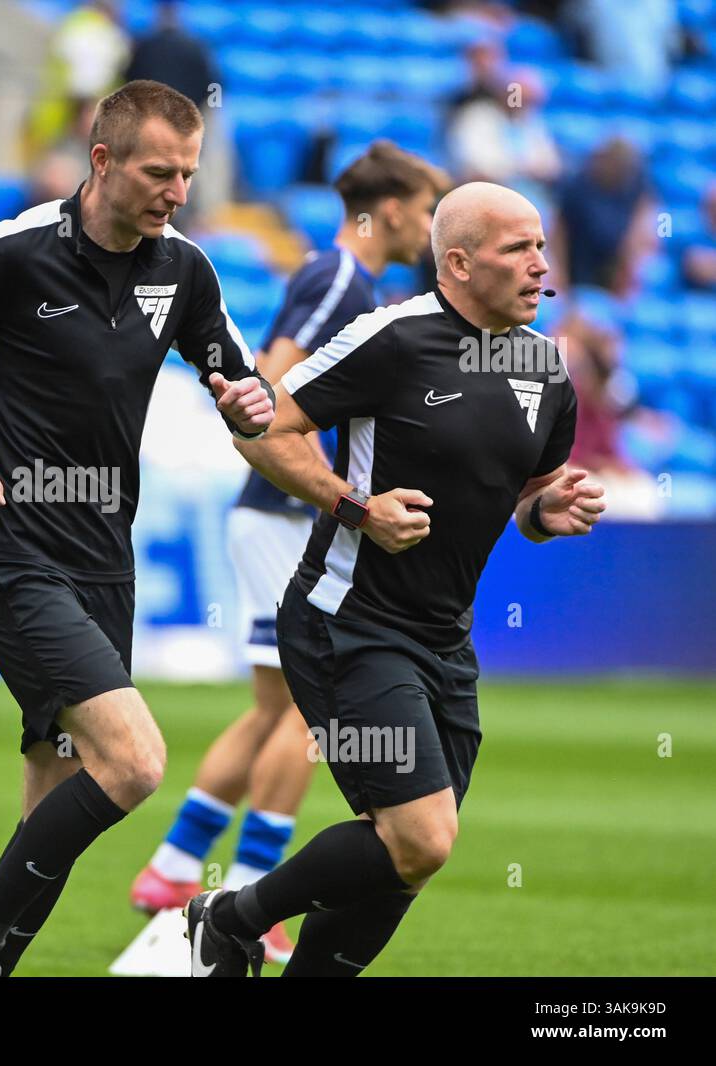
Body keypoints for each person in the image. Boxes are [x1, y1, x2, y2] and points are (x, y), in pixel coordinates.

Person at [185, 181, 607, 977]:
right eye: (518, 249)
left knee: (408, 858)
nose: (540, 266)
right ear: (457, 262)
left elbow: (526, 498)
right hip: (348, 620)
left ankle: (242, 927)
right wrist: (354, 506)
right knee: (422, 835)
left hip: (445, 639)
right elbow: (266, 427)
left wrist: (551, 511)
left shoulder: (546, 369)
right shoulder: (393, 335)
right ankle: (233, 915)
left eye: (542, 247)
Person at [0, 80, 275, 977]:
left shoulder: (184, 268)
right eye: (159, 171)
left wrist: (253, 399)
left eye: (187, 174)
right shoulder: (13, 251)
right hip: (12, 551)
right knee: (136, 762)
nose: (177, 192)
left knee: (58, 791)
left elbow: (243, 381)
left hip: (107, 561)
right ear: (102, 160)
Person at [131, 141, 450, 965]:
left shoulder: (342, 279)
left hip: (276, 511)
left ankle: (172, 868)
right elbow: (269, 384)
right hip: (284, 511)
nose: (428, 223)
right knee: (314, 718)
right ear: (387, 209)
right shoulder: (343, 280)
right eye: (423, 207)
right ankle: (247, 887)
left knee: (278, 709)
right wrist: (329, 480)